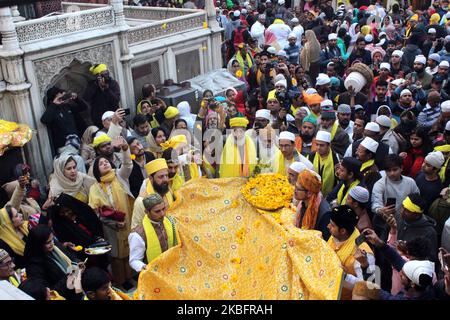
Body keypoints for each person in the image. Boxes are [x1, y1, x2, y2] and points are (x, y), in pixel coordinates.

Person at [88, 136, 134, 291]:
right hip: (110, 228)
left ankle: (130, 277)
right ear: (96, 170)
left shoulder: (119, 176)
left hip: (127, 222)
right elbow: (97, 212)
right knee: (115, 256)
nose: (105, 163)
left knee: (128, 252)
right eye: (100, 164)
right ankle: (119, 281)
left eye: (106, 161)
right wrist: (114, 222)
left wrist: (125, 149)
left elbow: (127, 164)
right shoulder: (95, 188)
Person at [326, 205, 375, 300]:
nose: (328, 226)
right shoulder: (336, 235)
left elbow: (369, 288)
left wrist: (344, 276)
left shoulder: (364, 253)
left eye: (332, 225)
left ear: (343, 231)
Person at [24, 225, 82, 300]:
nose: (52, 243)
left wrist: (78, 263)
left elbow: (71, 258)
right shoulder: (34, 267)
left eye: (52, 240)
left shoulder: (54, 246)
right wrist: (71, 275)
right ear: (38, 244)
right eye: (48, 242)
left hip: (77, 288)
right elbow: (49, 293)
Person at [372, 154, 420, 240]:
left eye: (395, 170)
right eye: (388, 171)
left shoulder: (410, 182)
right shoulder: (380, 184)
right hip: (386, 224)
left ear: (401, 168)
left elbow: (417, 200)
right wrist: (380, 210)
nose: (392, 173)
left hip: (406, 223)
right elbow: (375, 205)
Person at [129, 193, 178, 273]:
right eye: (157, 211)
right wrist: (144, 267)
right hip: (153, 274)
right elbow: (134, 260)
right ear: (147, 212)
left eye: (163, 209)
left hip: (172, 268)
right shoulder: (138, 234)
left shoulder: (169, 221)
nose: (162, 214)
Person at [41, 86, 88, 153]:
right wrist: (54, 104)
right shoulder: (52, 110)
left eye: (64, 96)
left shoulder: (67, 107)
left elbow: (83, 107)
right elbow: (44, 120)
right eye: (60, 98)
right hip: (64, 146)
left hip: (77, 141)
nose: (63, 99)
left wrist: (76, 98)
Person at [132, 158, 176, 229]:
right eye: (161, 177)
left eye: (166, 176)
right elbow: (135, 229)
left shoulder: (167, 190)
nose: (165, 180)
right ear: (150, 178)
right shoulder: (141, 201)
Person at [397, 193, 438, 261]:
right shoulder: (398, 217)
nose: (402, 211)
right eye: (403, 207)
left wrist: (408, 253)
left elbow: (431, 259)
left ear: (417, 215)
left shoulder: (429, 232)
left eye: (407, 210)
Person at [294, 169, 331, 241]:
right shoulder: (303, 202)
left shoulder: (324, 214)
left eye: (298, 189)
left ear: (309, 193)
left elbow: (324, 241)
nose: (294, 191)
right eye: (295, 186)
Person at [83, 64, 121, 128]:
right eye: (104, 74)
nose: (107, 76)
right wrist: (96, 85)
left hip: (113, 115)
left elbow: (116, 100)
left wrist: (106, 89)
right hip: (99, 119)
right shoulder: (92, 85)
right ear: (98, 76)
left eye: (107, 73)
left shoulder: (113, 83)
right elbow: (86, 98)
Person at [308, 131, 340, 197]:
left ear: (329, 145)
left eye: (322, 145)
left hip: (329, 195)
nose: (318, 148)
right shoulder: (311, 156)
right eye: (317, 144)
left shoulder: (336, 159)